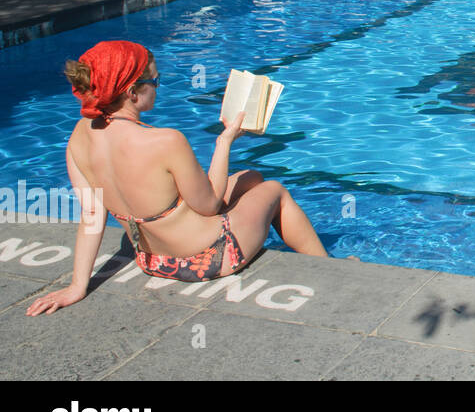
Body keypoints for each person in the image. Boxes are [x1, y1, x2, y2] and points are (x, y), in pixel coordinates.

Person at [26, 41, 327, 315]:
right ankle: (329, 269)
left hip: (153, 261)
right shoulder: (165, 140)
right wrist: (225, 141)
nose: (158, 87)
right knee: (274, 190)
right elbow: (208, 205)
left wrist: (77, 287)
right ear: (132, 92)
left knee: (252, 177)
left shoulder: (79, 137)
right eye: (154, 81)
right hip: (210, 257)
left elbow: (92, 215)